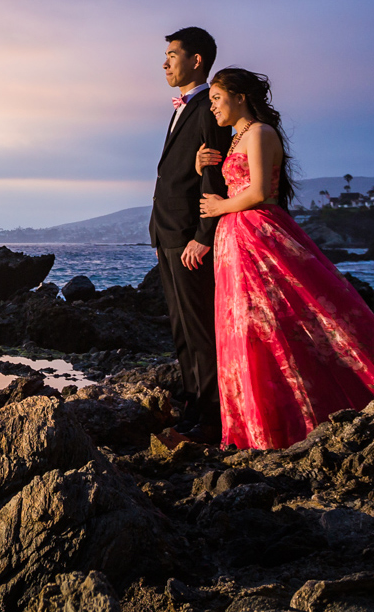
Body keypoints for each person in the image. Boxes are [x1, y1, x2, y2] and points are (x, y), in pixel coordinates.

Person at [195, 67, 374, 450]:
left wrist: (220, 206)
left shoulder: (260, 132)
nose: (211, 107)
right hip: (237, 241)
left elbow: (260, 191)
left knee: (285, 327)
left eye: (216, 98)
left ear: (240, 96)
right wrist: (206, 170)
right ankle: (259, 430)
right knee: (249, 331)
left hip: (258, 236)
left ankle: (302, 423)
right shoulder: (238, 138)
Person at [149, 27, 233, 442]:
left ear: (196, 60)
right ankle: (192, 405)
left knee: (199, 327)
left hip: (189, 235)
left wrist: (203, 235)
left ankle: (210, 417)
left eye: (172, 55)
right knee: (182, 327)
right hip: (166, 232)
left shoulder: (206, 109)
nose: (164, 63)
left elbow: (212, 177)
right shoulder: (182, 108)